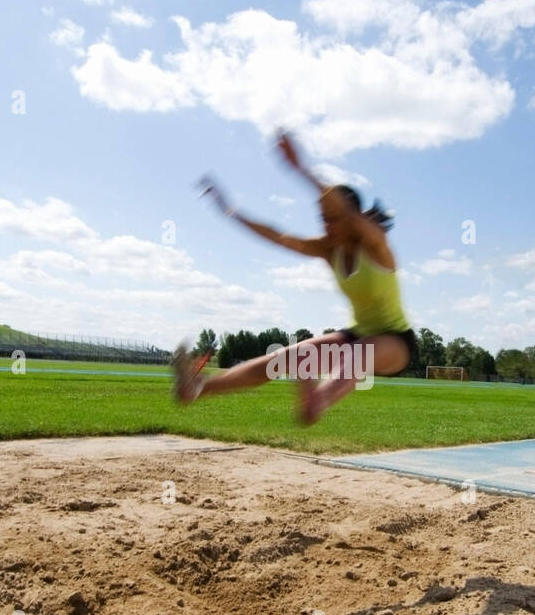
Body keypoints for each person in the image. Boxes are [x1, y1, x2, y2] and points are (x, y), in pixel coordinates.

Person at [174, 133, 417, 424]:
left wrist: (300, 169)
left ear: (352, 218)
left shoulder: (377, 247)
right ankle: (197, 387)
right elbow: (279, 237)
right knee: (287, 358)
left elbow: (343, 211)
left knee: (359, 352)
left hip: (396, 343)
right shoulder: (330, 252)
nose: (326, 225)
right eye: (322, 219)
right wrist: (230, 212)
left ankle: (318, 400)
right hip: (358, 334)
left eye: (333, 218)